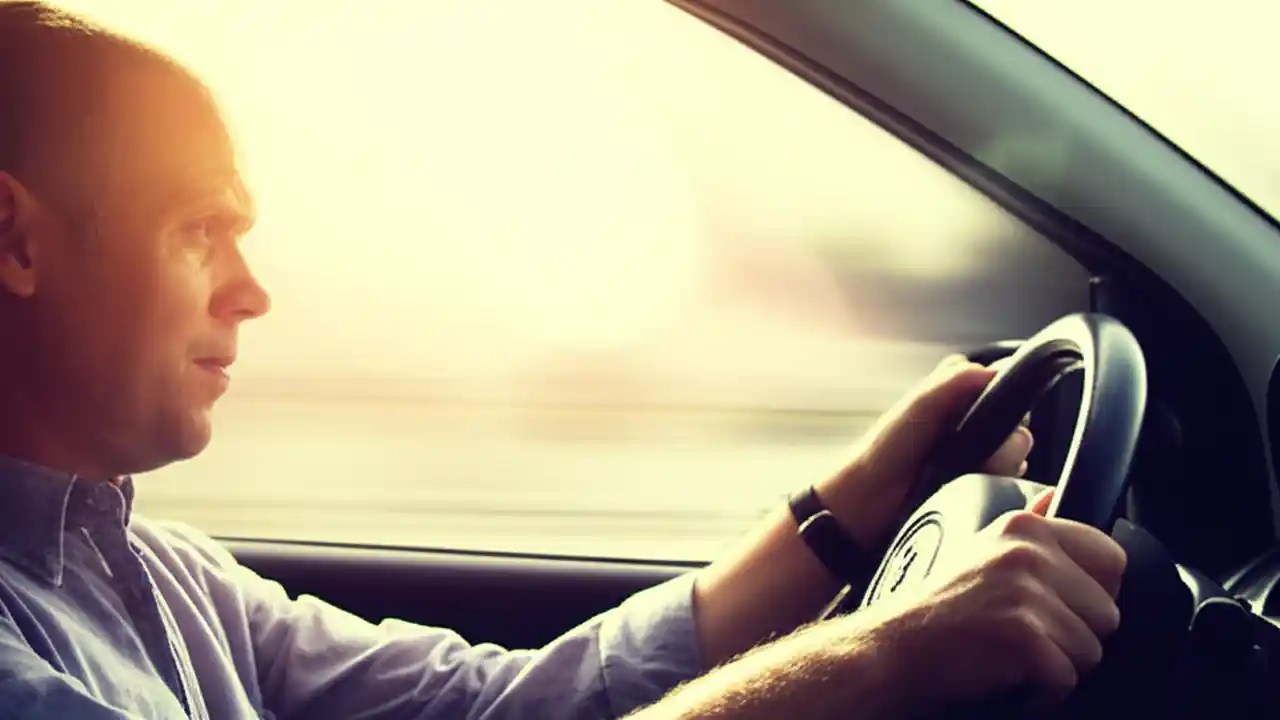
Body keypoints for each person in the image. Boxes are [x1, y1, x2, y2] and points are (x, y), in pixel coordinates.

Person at [0, 3, 1126, 719]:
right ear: (18, 241)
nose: (251, 291)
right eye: (200, 230)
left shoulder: (152, 570)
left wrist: (847, 506)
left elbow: (503, 705)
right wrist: (882, 661)